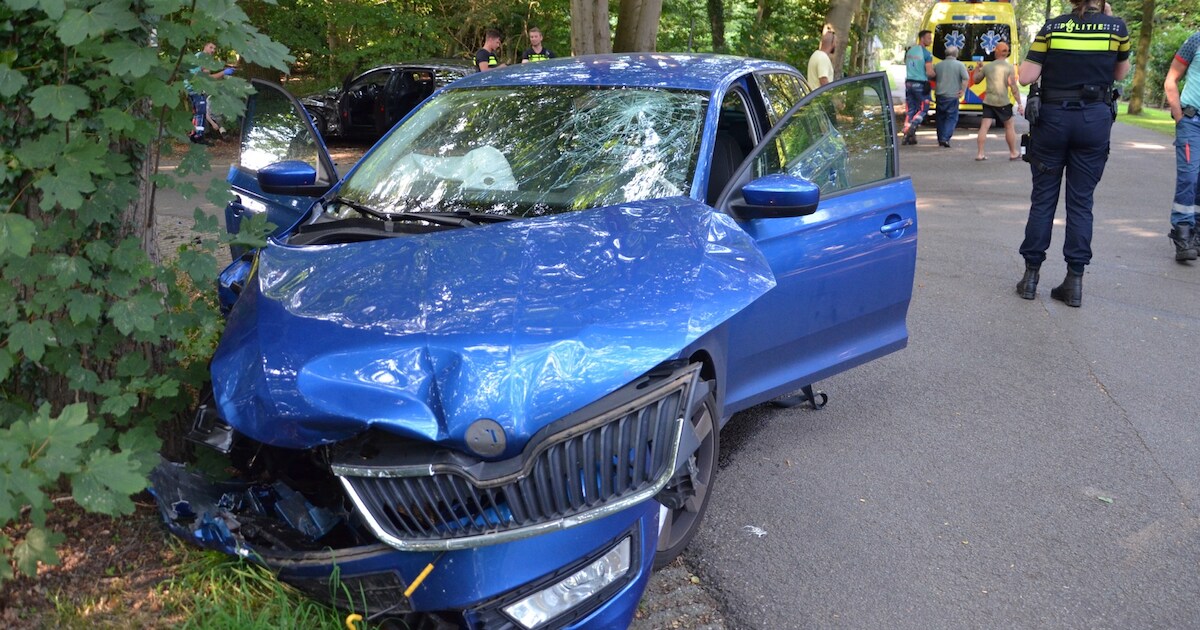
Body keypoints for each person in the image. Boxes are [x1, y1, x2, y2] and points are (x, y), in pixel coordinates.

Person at [1013, 0, 1130, 307]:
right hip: (1094, 121)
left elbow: (1026, 76)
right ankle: (1074, 281)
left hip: (1052, 121)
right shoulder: (1116, 28)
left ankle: (1030, 278)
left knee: (1043, 200)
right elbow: (1120, 73)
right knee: (1081, 203)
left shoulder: (1052, 26)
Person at [1165, 31, 1200, 262]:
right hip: (1192, 121)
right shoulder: (1196, 40)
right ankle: (1182, 233)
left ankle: (1196, 234)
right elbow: (1171, 80)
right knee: (1189, 176)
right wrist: (1179, 116)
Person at [970, 41, 1023, 160]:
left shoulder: (987, 66)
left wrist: (978, 68)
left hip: (988, 101)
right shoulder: (1009, 67)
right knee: (1009, 126)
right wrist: (1019, 103)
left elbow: (976, 80)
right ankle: (1013, 152)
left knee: (984, 127)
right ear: (1006, 53)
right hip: (1003, 101)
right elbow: (1013, 86)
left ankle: (980, 153)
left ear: (996, 52)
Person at [186, 42, 234, 144]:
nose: (212, 50)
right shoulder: (202, 57)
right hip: (194, 88)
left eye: (214, 49)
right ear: (205, 47)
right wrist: (224, 72)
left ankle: (196, 136)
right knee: (200, 113)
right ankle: (198, 138)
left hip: (196, 88)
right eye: (210, 47)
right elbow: (207, 78)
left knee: (199, 113)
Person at [901, 30, 935, 145]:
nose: (930, 40)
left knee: (911, 109)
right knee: (923, 109)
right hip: (920, 84)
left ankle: (908, 136)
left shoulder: (910, 51)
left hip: (909, 83)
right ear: (922, 39)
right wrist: (937, 76)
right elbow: (930, 72)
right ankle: (911, 126)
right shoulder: (926, 54)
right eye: (928, 38)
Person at [933, 46, 969, 148]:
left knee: (940, 118)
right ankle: (945, 138)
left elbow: (933, 76)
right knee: (951, 118)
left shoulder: (938, 65)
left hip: (940, 95)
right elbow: (965, 78)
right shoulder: (960, 65)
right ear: (956, 54)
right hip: (952, 96)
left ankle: (940, 138)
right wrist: (962, 90)